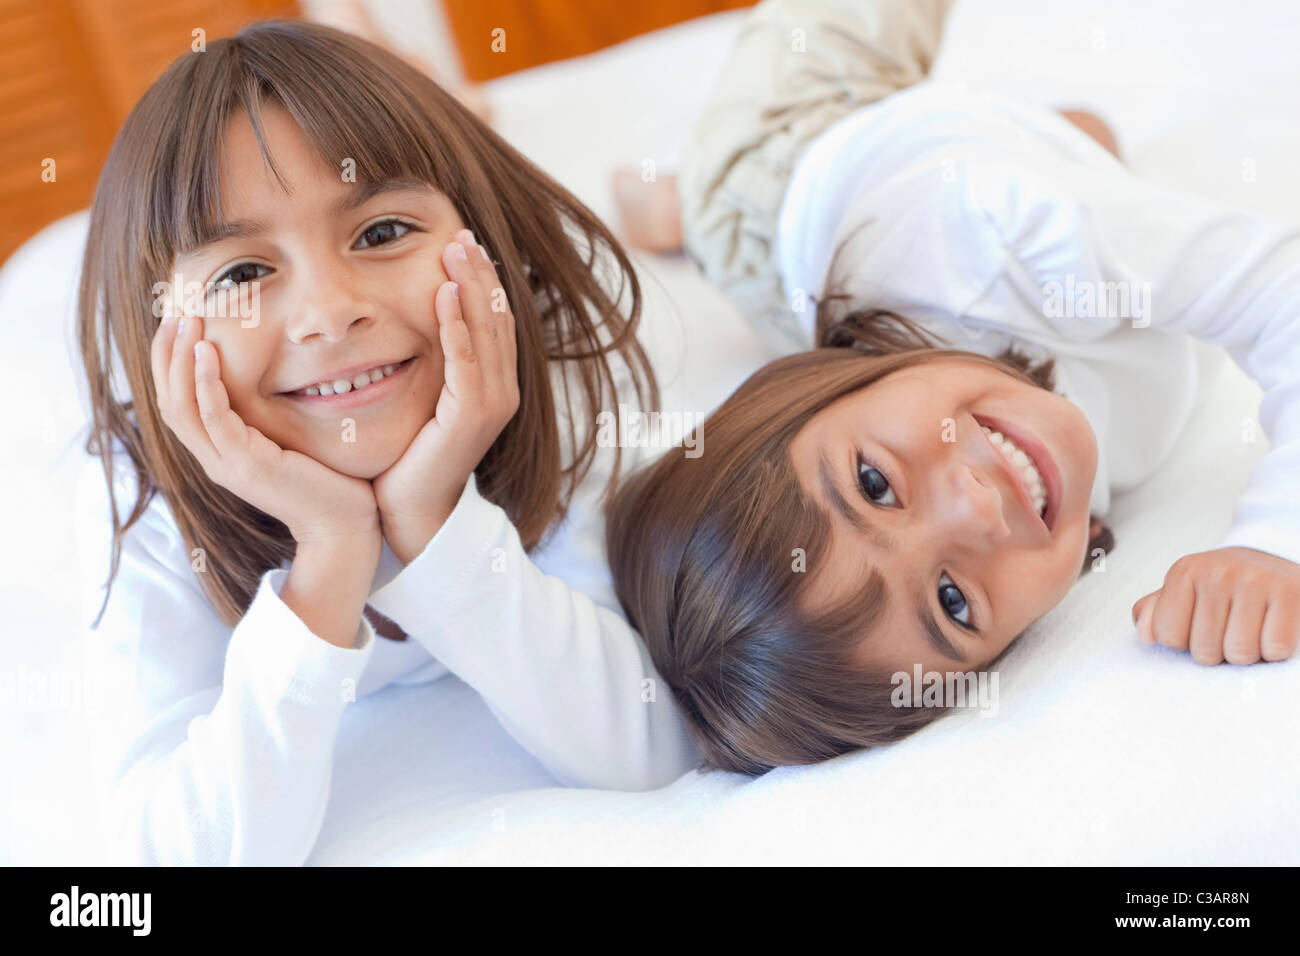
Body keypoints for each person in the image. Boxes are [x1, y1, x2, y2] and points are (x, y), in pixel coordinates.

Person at [604, 0, 1300, 776]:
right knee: (1086, 145)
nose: (978, 508)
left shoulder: (999, 229)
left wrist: (1276, 539)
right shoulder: (967, 427)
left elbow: (1285, 290)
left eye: (874, 484)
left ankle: (682, 196)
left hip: (793, 151)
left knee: (738, 173)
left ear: (811, 387)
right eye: (952, 603)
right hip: (831, 268)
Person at [76, 19, 699, 864]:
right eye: (242, 274)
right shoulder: (147, 496)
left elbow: (650, 748)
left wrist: (436, 518)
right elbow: (164, 858)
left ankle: (442, 89)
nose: (331, 312)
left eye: (381, 232)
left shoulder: (540, 367)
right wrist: (329, 555)